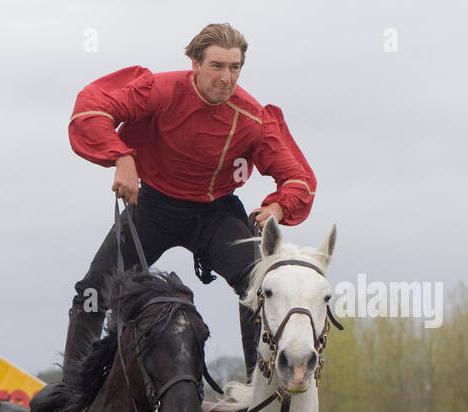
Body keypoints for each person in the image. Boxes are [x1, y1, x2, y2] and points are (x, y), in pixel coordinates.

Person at [64, 23, 317, 379]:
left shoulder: (254, 118)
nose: (227, 78)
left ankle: (261, 389)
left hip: (215, 215)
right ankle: (74, 396)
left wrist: (277, 207)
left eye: (235, 68)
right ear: (195, 63)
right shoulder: (159, 90)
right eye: (217, 66)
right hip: (152, 207)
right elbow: (90, 110)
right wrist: (120, 156)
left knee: (262, 287)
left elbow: (298, 179)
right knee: (92, 291)